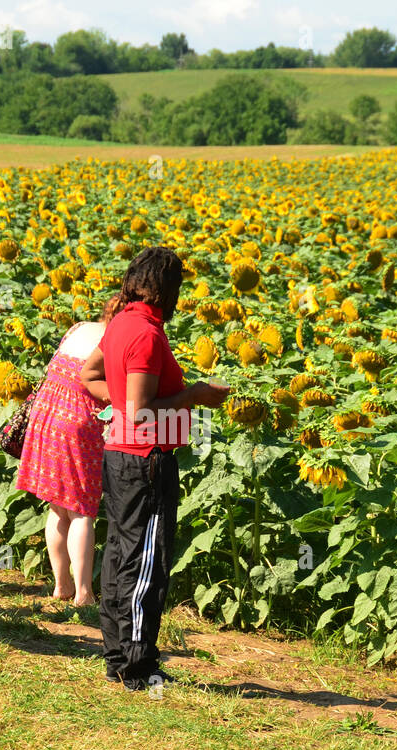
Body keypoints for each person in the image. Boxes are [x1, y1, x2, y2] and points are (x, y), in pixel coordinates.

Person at [81, 248, 229, 690]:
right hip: (147, 460)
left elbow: (89, 377)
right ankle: (139, 666)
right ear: (167, 289)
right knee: (147, 562)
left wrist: (120, 404)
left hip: (119, 454)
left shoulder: (121, 323)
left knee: (118, 554)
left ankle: (116, 657)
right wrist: (195, 395)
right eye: (180, 287)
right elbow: (144, 409)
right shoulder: (145, 333)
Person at [15, 294, 120, 606]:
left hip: (46, 415)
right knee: (82, 510)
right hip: (78, 422)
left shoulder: (78, 328)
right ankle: (84, 593)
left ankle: (61, 586)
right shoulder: (114, 341)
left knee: (57, 506)